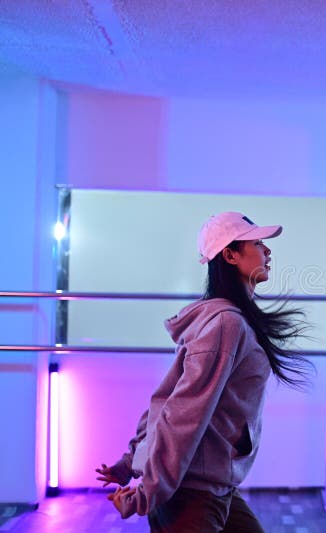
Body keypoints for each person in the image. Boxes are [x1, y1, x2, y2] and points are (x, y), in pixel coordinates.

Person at [95, 211, 312, 532]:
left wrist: (131, 463)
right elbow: (182, 413)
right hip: (192, 492)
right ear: (230, 255)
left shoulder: (231, 319)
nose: (268, 252)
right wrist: (146, 491)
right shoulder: (225, 324)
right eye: (258, 243)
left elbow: (167, 397)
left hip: (215, 484)